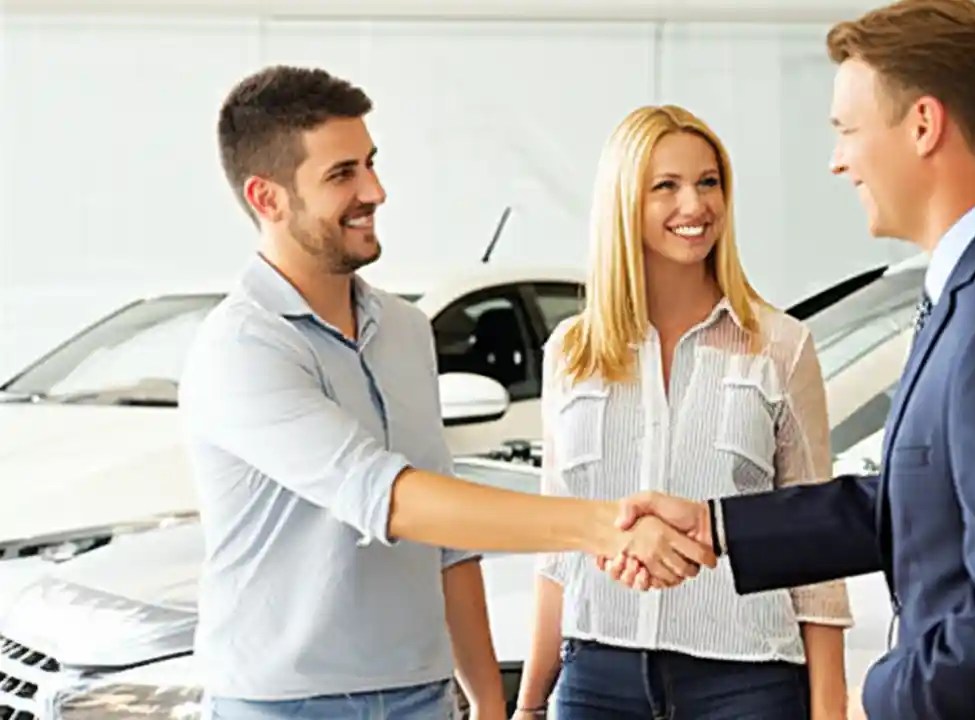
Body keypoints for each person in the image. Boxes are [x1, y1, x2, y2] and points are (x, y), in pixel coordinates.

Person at [605, 1, 975, 718]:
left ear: (922, 125)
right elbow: (922, 496)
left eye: (848, 130)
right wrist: (717, 527)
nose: (837, 159)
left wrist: (882, 698)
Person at [179, 66, 715, 720]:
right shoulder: (240, 348)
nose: (375, 190)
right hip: (282, 705)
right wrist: (605, 526)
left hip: (423, 697)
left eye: (371, 163)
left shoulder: (405, 330)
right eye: (342, 174)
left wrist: (489, 700)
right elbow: (388, 496)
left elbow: (445, 538)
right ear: (268, 198)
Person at [510, 105, 853, 720]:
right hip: (596, 677)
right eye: (665, 186)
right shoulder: (573, 351)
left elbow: (818, 549)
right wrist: (531, 704)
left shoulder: (780, 346)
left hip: (747, 684)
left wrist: (828, 711)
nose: (694, 206)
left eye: (708, 182)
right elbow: (557, 542)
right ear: (623, 203)